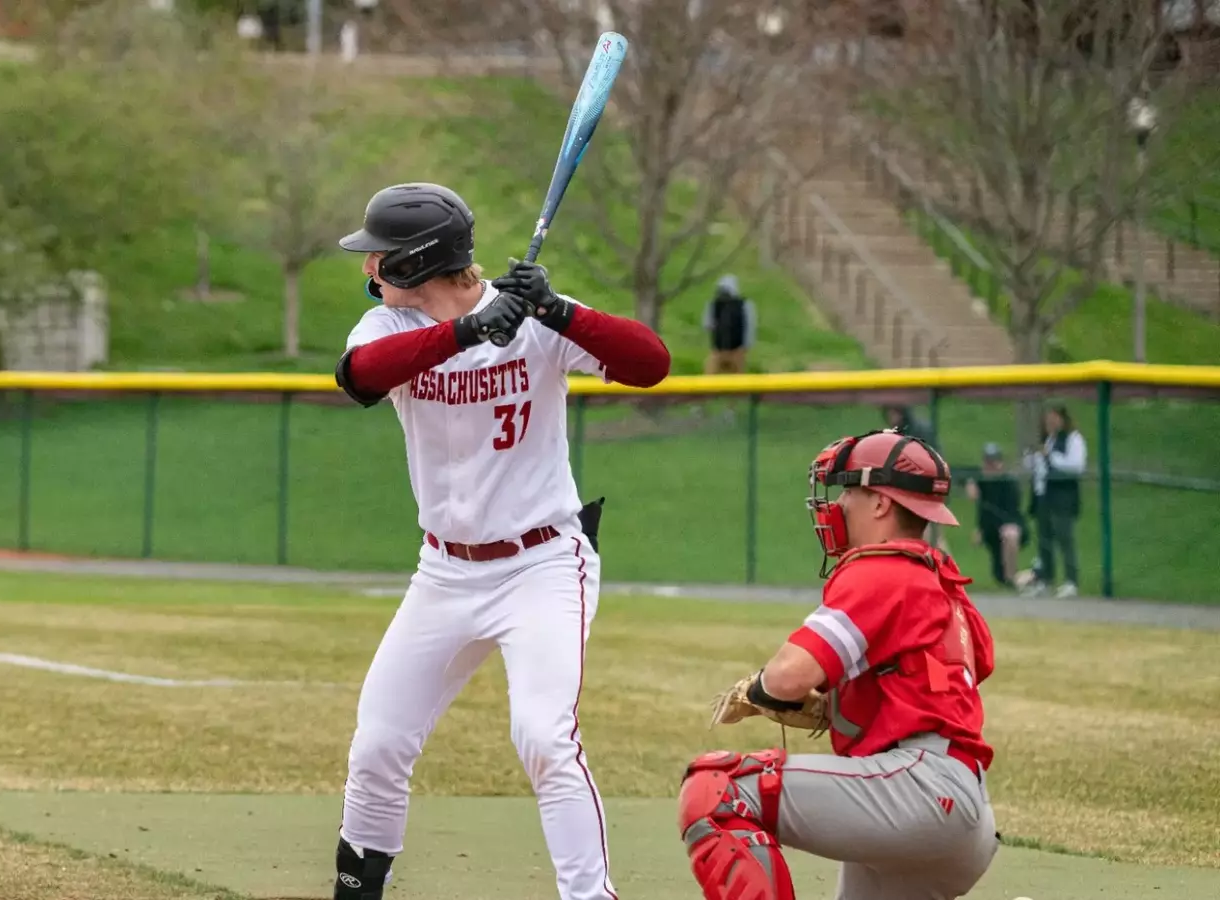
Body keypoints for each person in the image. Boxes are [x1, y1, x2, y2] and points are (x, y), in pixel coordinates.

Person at [331, 182, 671, 900]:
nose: (370, 270)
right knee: (379, 745)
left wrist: (556, 309)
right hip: (444, 574)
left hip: (542, 565)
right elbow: (359, 379)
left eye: (381, 259)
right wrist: (466, 332)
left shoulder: (533, 319)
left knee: (545, 739)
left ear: (419, 263)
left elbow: (651, 364)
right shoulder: (387, 331)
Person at [683, 428, 999, 900]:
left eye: (851, 489)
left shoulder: (882, 569)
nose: (841, 503)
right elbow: (932, 689)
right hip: (957, 812)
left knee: (716, 788)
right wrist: (834, 707)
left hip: (919, 792)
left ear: (880, 504)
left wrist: (760, 689)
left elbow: (788, 676)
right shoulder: (940, 581)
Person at [1021, 404, 1087, 598]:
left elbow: (1076, 466)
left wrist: (1051, 457)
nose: (1050, 422)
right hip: (1043, 496)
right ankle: (1046, 580)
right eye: (1048, 418)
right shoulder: (1047, 440)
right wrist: (1032, 456)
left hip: (1062, 497)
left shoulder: (1073, 439)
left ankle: (1071, 581)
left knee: (1064, 538)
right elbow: (1034, 466)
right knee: (1044, 539)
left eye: (1054, 417)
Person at [964, 443, 1026, 588]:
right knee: (999, 577)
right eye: (987, 462)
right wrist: (970, 484)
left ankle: (1014, 578)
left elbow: (1010, 514)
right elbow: (962, 475)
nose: (990, 466)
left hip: (1009, 527)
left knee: (1009, 534)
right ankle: (1016, 579)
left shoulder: (1009, 483)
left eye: (993, 462)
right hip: (991, 532)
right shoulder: (982, 481)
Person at [702, 275, 754, 375]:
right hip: (723, 349)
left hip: (732, 349)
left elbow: (707, 325)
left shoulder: (743, 305)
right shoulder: (715, 305)